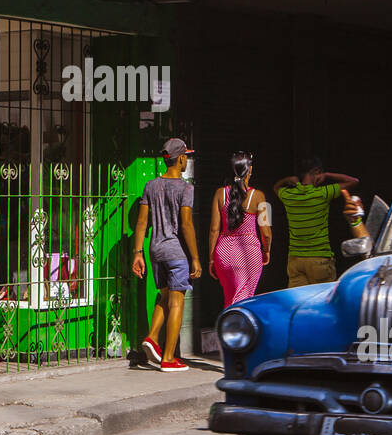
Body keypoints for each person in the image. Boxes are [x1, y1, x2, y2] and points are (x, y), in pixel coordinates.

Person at [131, 138, 201, 372]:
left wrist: (137, 253)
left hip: (155, 251)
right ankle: (169, 357)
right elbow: (187, 225)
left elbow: (142, 222)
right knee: (177, 302)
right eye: (186, 157)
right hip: (176, 252)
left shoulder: (151, 186)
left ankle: (151, 337)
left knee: (164, 298)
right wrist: (195, 257)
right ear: (180, 158)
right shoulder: (185, 188)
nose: (186, 161)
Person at [274, 158, 359, 287]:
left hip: (295, 260)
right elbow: (353, 181)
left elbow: (276, 187)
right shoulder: (322, 193)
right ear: (317, 171)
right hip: (319, 258)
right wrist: (327, 175)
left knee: (297, 303)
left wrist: (287, 180)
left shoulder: (288, 194)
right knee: (323, 303)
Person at [208, 152, 270, 309]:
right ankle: (232, 331)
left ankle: (226, 331)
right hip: (248, 253)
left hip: (223, 253)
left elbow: (214, 230)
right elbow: (266, 232)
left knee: (229, 301)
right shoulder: (259, 196)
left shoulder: (219, 194)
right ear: (250, 170)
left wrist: (211, 259)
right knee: (243, 302)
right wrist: (266, 250)